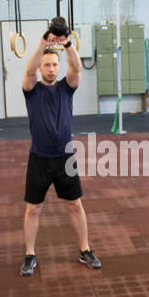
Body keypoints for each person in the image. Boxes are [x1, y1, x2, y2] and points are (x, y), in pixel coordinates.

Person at [20, 17, 102, 276]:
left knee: (75, 205)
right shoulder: (31, 89)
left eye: (55, 65)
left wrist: (67, 44)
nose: (52, 69)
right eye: (48, 65)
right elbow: (29, 71)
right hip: (40, 158)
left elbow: (77, 69)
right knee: (34, 208)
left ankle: (85, 249)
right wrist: (43, 44)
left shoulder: (67, 88)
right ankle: (30, 254)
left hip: (65, 157)